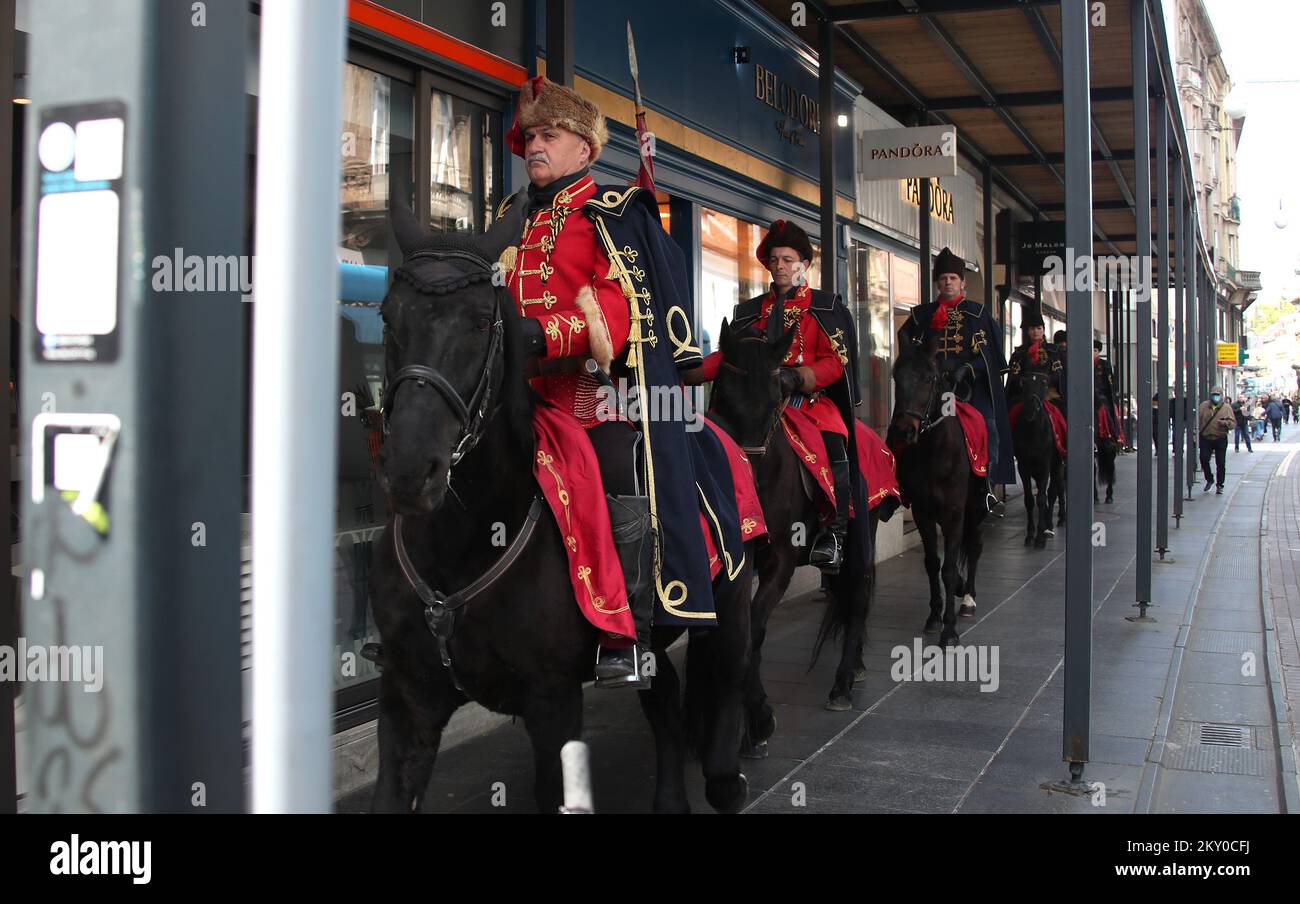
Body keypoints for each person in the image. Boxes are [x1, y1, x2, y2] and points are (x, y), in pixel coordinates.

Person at [497, 76, 743, 687]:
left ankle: (625, 628)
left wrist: (545, 335)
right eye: (530, 136)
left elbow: (617, 305)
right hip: (506, 393)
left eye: (549, 135)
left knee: (615, 466)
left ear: (585, 148)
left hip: (588, 396)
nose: (534, 146)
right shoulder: (510, 219)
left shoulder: (614, 213)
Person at [688, 219, 870, 573]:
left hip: (810, 403)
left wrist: (798, 376)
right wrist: (688, 370)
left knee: (835, 446)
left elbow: (835, 363)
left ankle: (833, 533)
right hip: (760, 405)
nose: (781, 266)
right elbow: (728, 357)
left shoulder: (825, 308)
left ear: (803, 265)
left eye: (788, 259)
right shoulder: (750, 312)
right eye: (775, 260)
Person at [898, 248, 1013, 515]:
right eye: (942, 279)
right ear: (937, 283)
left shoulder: (978, 314)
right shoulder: (919, 316)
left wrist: (967, 370)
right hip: (929, 390)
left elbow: (993, 358)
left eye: (952, 278)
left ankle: (986, 488)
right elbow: (908, 354)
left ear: (962, 282)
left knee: (990, 429)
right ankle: (897, 487)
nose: (947, 282)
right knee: (901, 430)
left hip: (969, 390)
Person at [1197, 387, 1236, 494]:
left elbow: (1233, 424)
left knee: (1221, 462)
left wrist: (1225, 423)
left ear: (1222, 395)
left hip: (1220, 437)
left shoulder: (1226, 408)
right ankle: (1209, 479)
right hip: (1206, 437)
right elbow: (1197, 420)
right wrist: (1195, 433)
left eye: (1218, 394)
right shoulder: (1203, 406)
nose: (1215, 396)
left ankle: (1220, 485)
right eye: (1214, 394)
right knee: (1204, 459)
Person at [1093, 340, 1125, 447]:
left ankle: (1110, 435)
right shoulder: (1083, 365)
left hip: (1102, 397)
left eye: (1095, 350)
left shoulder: (1105, 365)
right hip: (1089, 398)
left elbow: (1110, 384)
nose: (1093, 353)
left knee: (1107, 411)